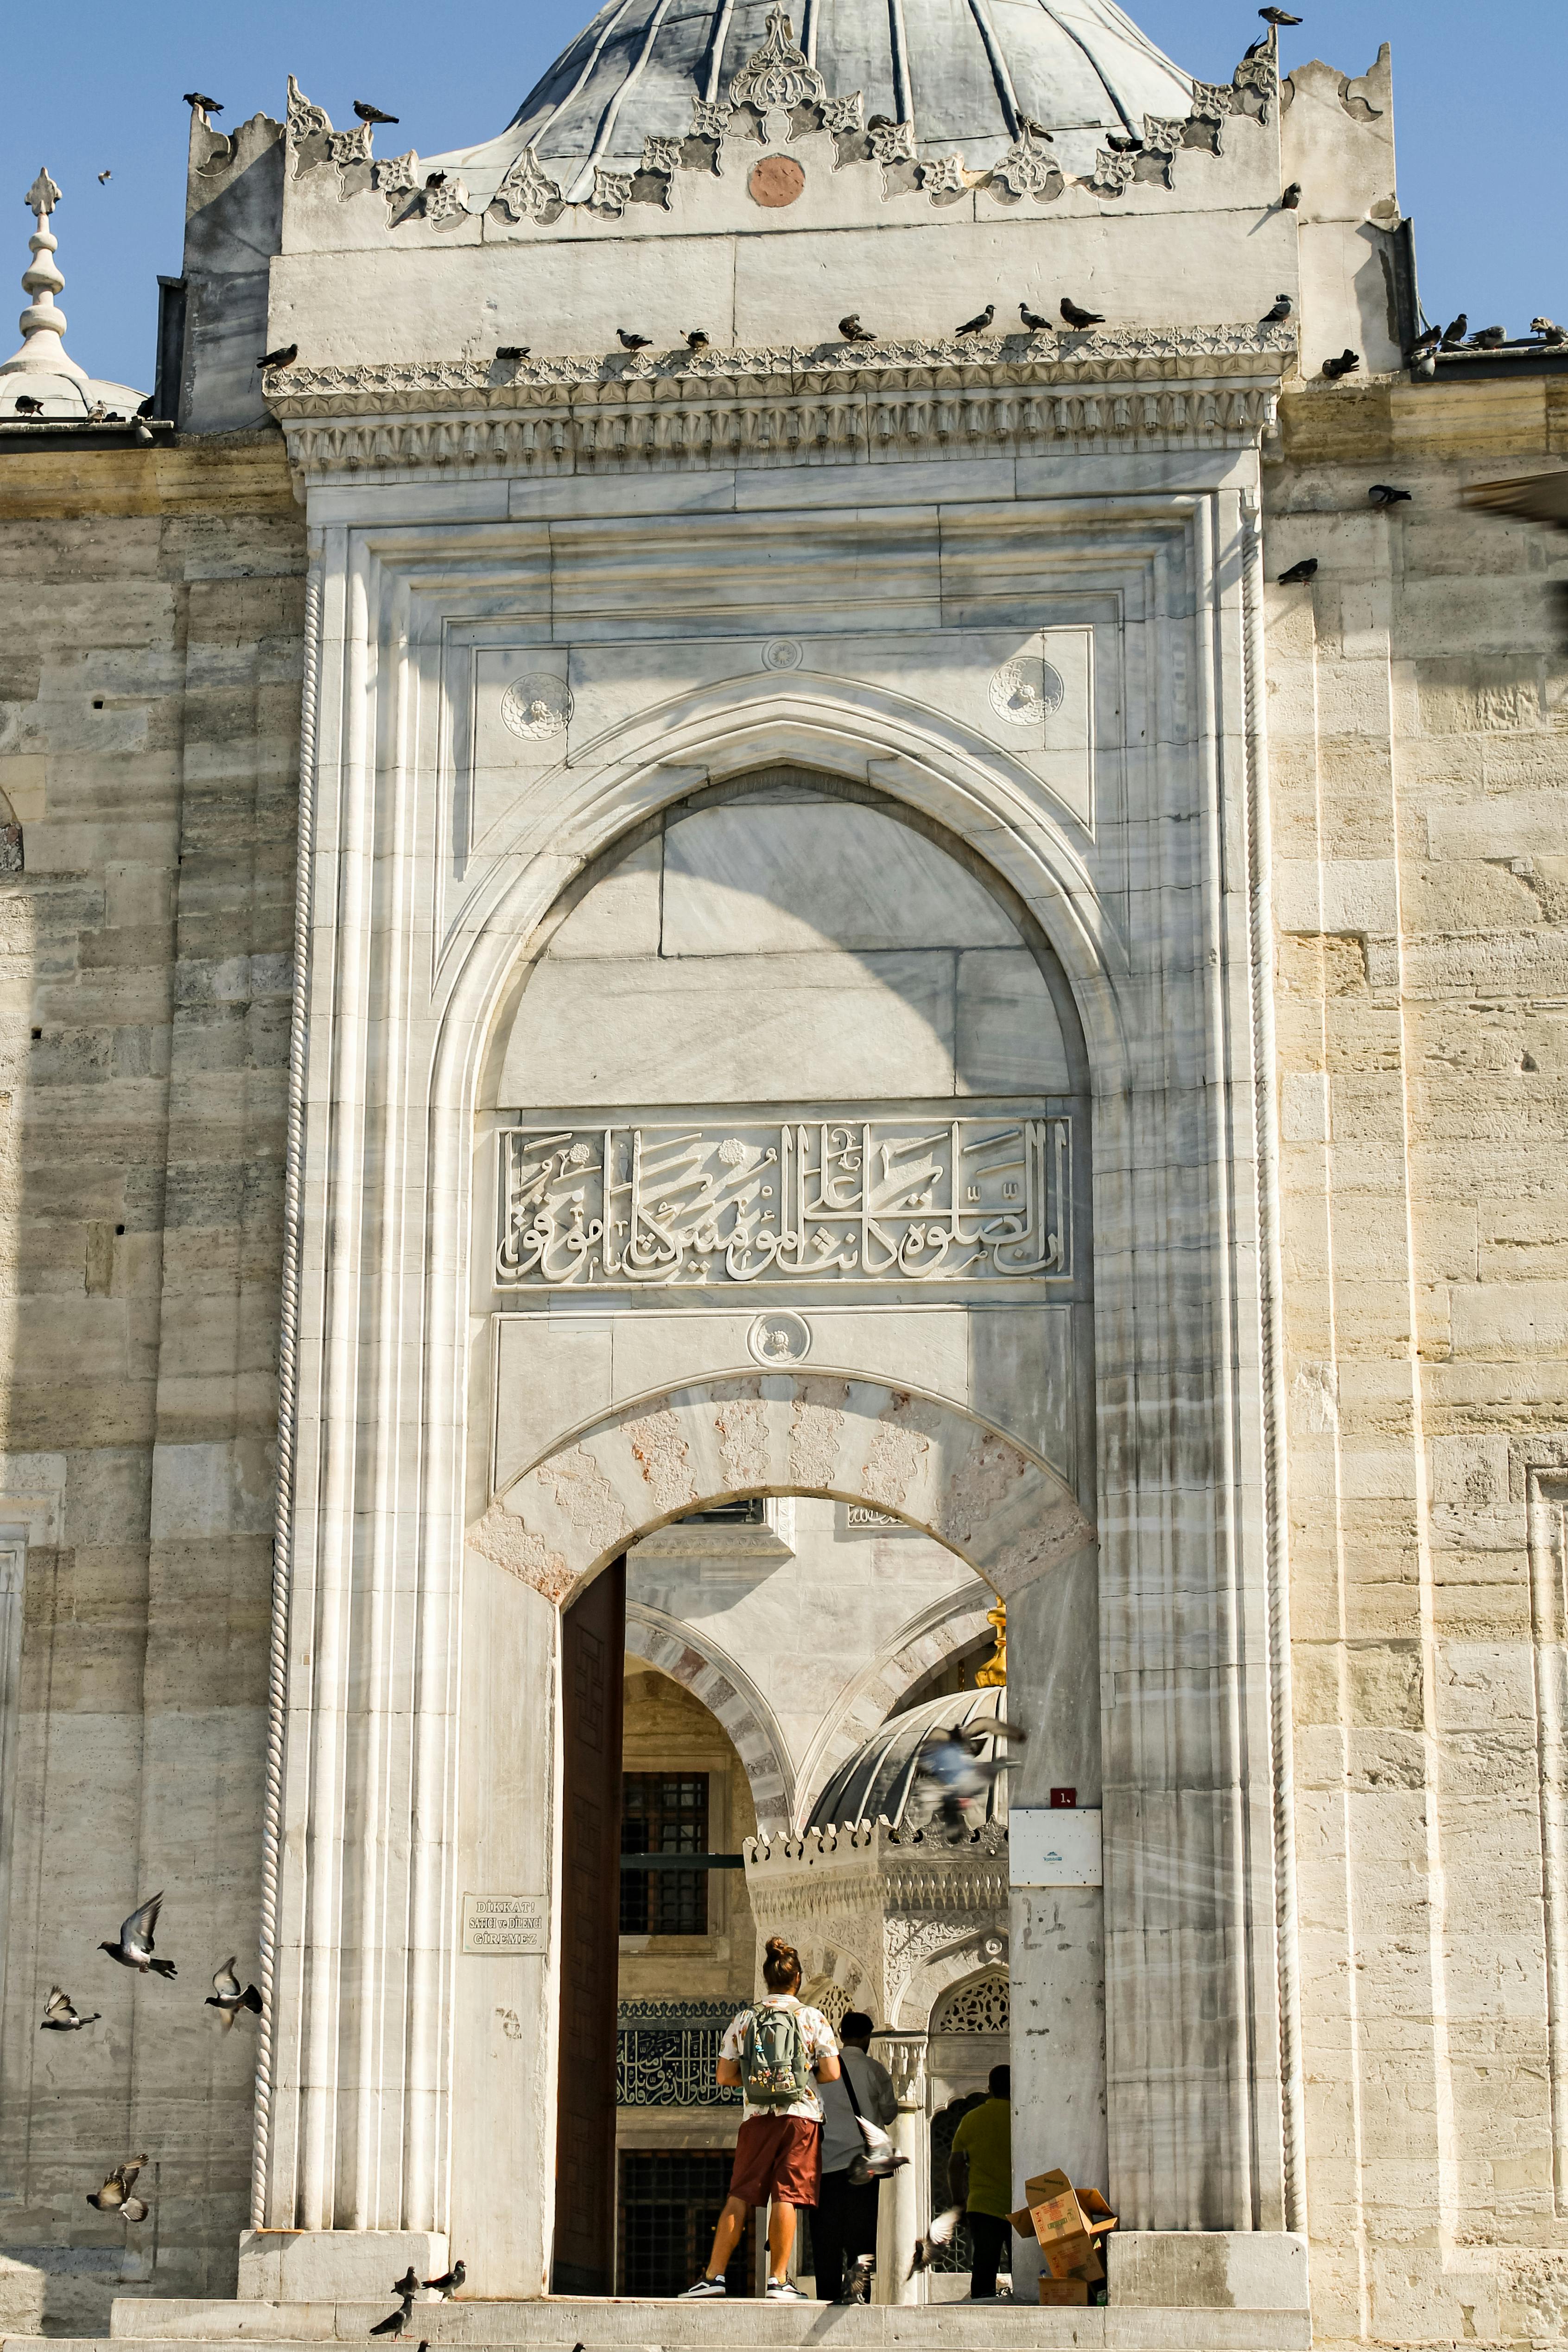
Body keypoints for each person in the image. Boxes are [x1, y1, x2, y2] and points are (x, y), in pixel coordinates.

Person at [680, 1937, 840, 2301]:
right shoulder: (812, 2017)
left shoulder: (745, 2018)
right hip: (801, 2117)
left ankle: (713, 2277)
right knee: (786, 2195)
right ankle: (778, 2281)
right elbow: (831, 2072)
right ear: (796, 1978)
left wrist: (756, 2082)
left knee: (739, 2195)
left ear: (767, 1978)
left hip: (756, 2117)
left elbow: (724, 2075)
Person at [812, 2010, 898, 2301]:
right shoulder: (874, 2070)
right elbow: (890, 2113)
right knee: (860, 2238)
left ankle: (826, 2297)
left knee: (827, 2239)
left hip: (825, 2168)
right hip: (863, 2170)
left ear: (840, 2034)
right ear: (866, 2038)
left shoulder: (820, 2071)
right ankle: (859, 2296)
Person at [947, 2063, 1012, 2300]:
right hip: (1022, 2209)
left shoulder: (972, 2120)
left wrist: (959, 2203)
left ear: (989, 2089)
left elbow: (955, 2166)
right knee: (1025, 2269)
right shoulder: (1023, 2118)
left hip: (983, 2207)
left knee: (984, 2267)